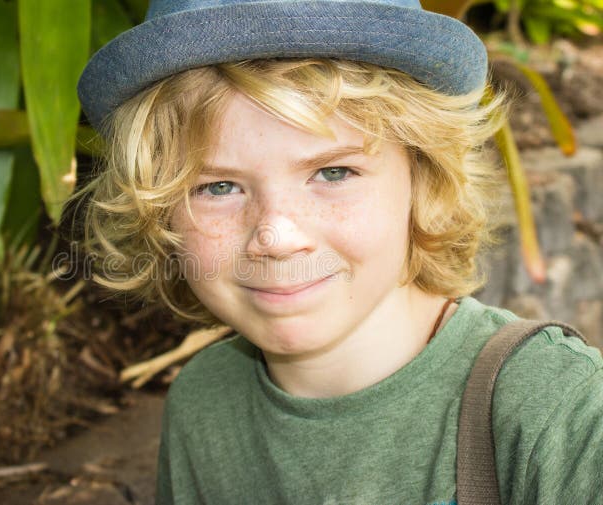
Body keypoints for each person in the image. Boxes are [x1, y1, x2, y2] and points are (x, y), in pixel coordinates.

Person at [71, 1, 603, 503]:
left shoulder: (561, 411)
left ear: (423, 177)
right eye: (217, 187)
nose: (276, 237)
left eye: (333, 172)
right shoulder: (202, 406)